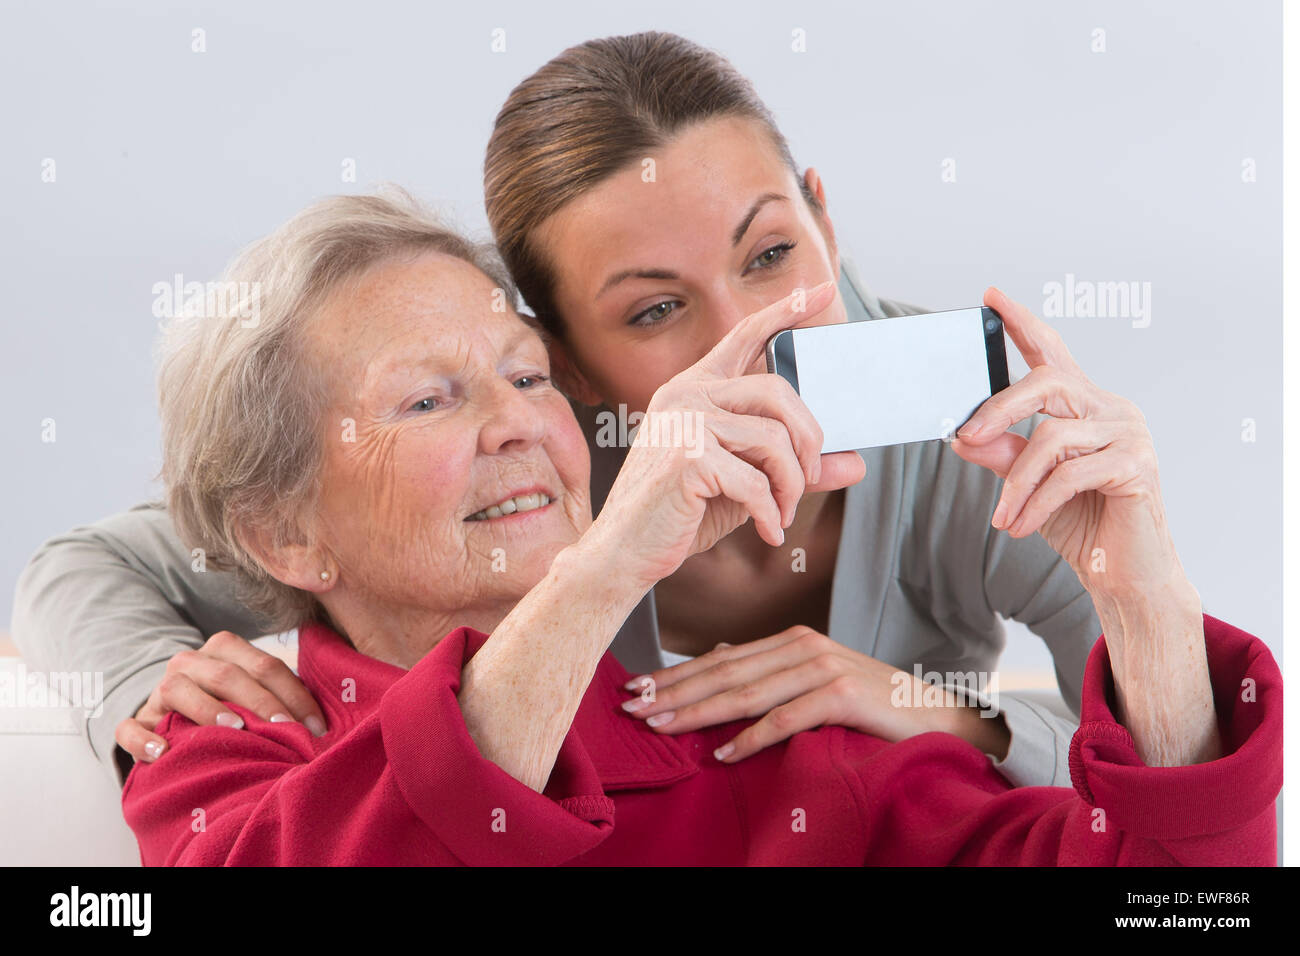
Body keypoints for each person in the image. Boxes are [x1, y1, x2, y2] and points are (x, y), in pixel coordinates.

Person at [7, 33, 1201, 789]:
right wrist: (147, 686)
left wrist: (949, 717)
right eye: (650, 312)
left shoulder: (960, 429)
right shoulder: (518, 472)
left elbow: (1186, 783)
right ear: (561, 361)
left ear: (826, 221)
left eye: (774, 250)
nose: (758, 334)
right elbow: (82, 566)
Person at [120, 192, 1278, 866]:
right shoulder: (222, 757)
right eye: (427, 398)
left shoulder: (772, 743)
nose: (518, 428)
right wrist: (605, 565)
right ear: (281, 537)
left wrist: (1148, 609)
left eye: (529, 380)